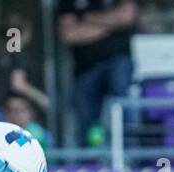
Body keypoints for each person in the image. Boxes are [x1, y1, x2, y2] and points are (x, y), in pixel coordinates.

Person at [57, 0, 137, 145]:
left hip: (118, 60)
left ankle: (130, 153)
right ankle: (89, 162)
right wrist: (111, 24)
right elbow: (69, 35)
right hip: (84, 68)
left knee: (122, 106)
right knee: (86, 120)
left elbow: (126, 17)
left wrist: (88, 19)